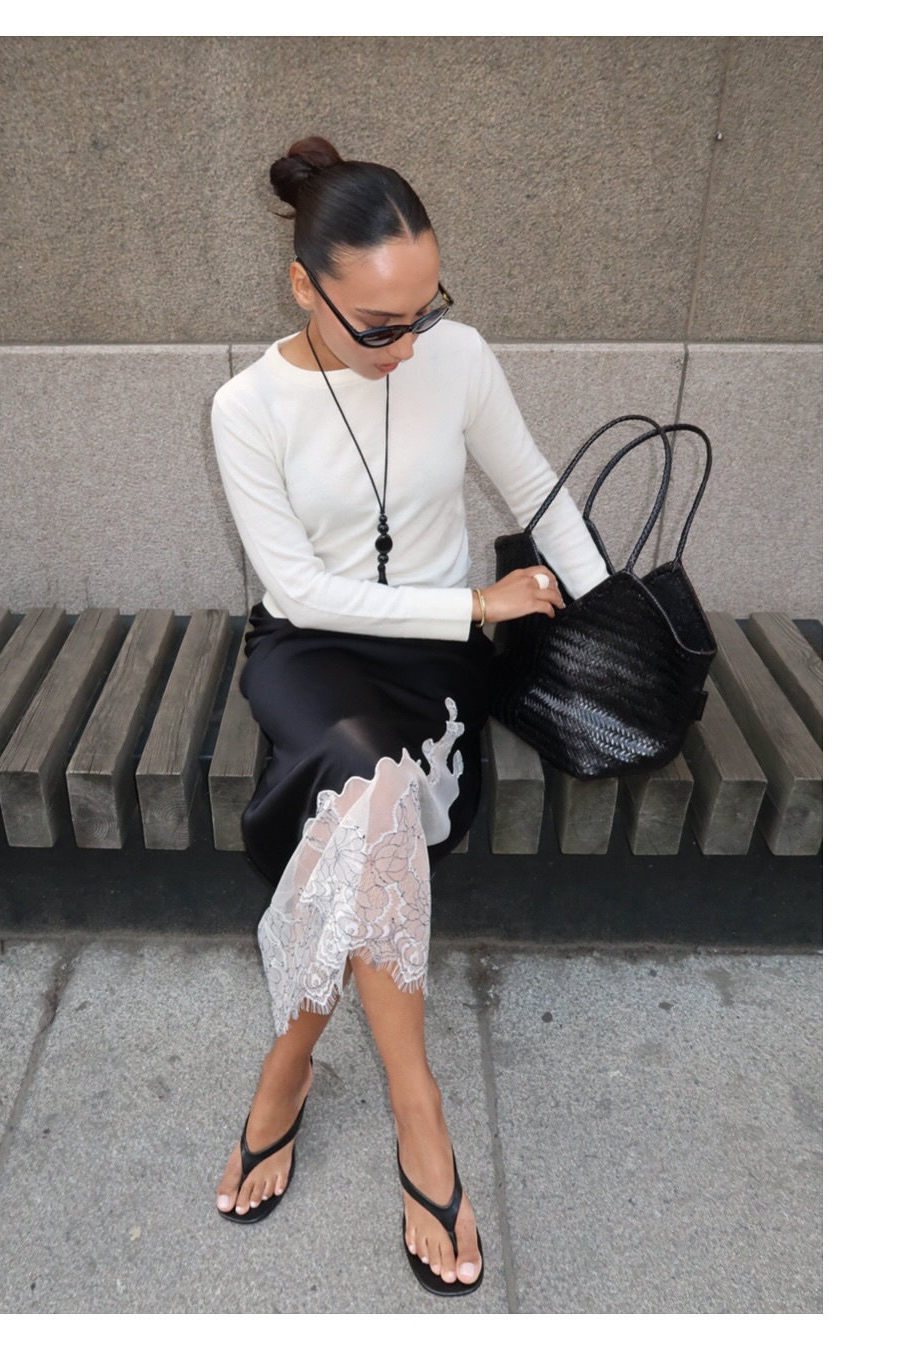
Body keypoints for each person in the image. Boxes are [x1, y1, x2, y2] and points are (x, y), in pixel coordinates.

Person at [210, 135, 608, 1296]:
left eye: (424, 311)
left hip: (436, 665)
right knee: (370, 783)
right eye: (376, 322)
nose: (406, 341)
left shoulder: (459, 357)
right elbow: (294, 590)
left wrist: (600, 608)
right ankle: (419, 1116)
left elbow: (535, 488)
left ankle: (290, 1062)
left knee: (372, 795)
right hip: (312, 652)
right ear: (305, 285)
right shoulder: (245, 406)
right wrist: (475, 601)